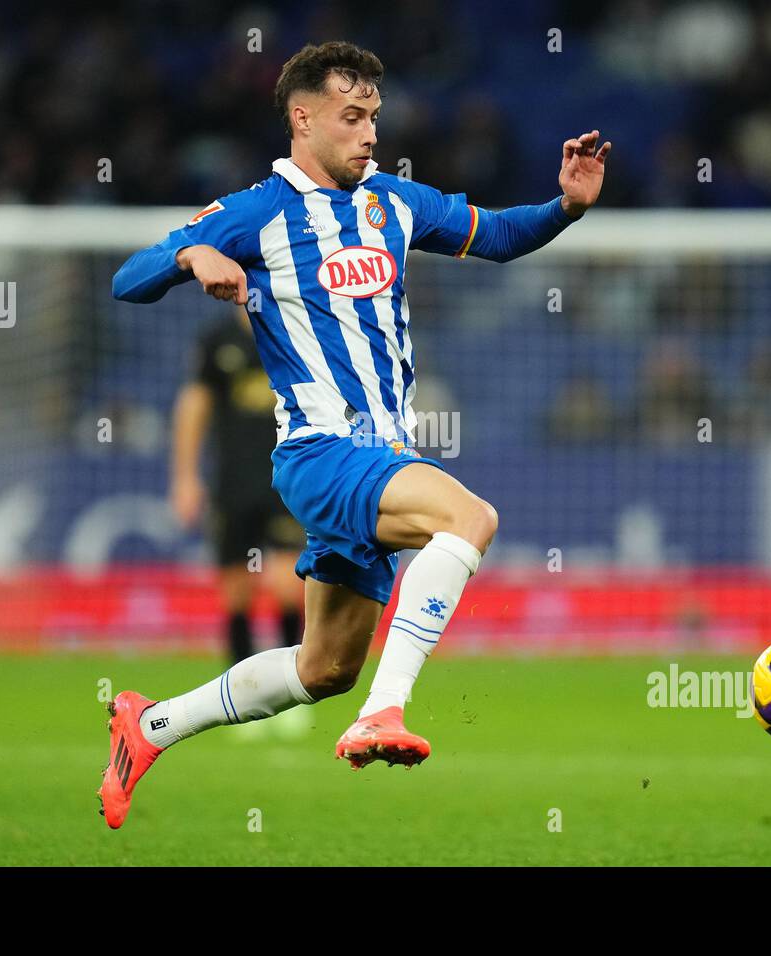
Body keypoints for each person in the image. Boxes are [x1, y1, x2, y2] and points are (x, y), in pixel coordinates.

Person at [100, 40, 608, 829]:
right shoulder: (257, 211)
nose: (370, 133)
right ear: (303, 119)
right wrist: (196, 252)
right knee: (470, 519)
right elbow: (129, 279)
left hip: (377, 456)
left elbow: (500, 235)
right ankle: (386, 711)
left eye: (374, 115)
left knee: (323, 668)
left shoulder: (394, 202)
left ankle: (150, 725)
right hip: (321, 452)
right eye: (352, 117)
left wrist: (565, 208)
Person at [171, 305, 306, 666]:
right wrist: (185, 476)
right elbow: (194, 404)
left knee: (288, 584)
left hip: (288, 479)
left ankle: (288, 683)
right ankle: (239, 684)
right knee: (236, 589)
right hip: (234, 480)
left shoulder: (296, 334)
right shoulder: (218, 341)